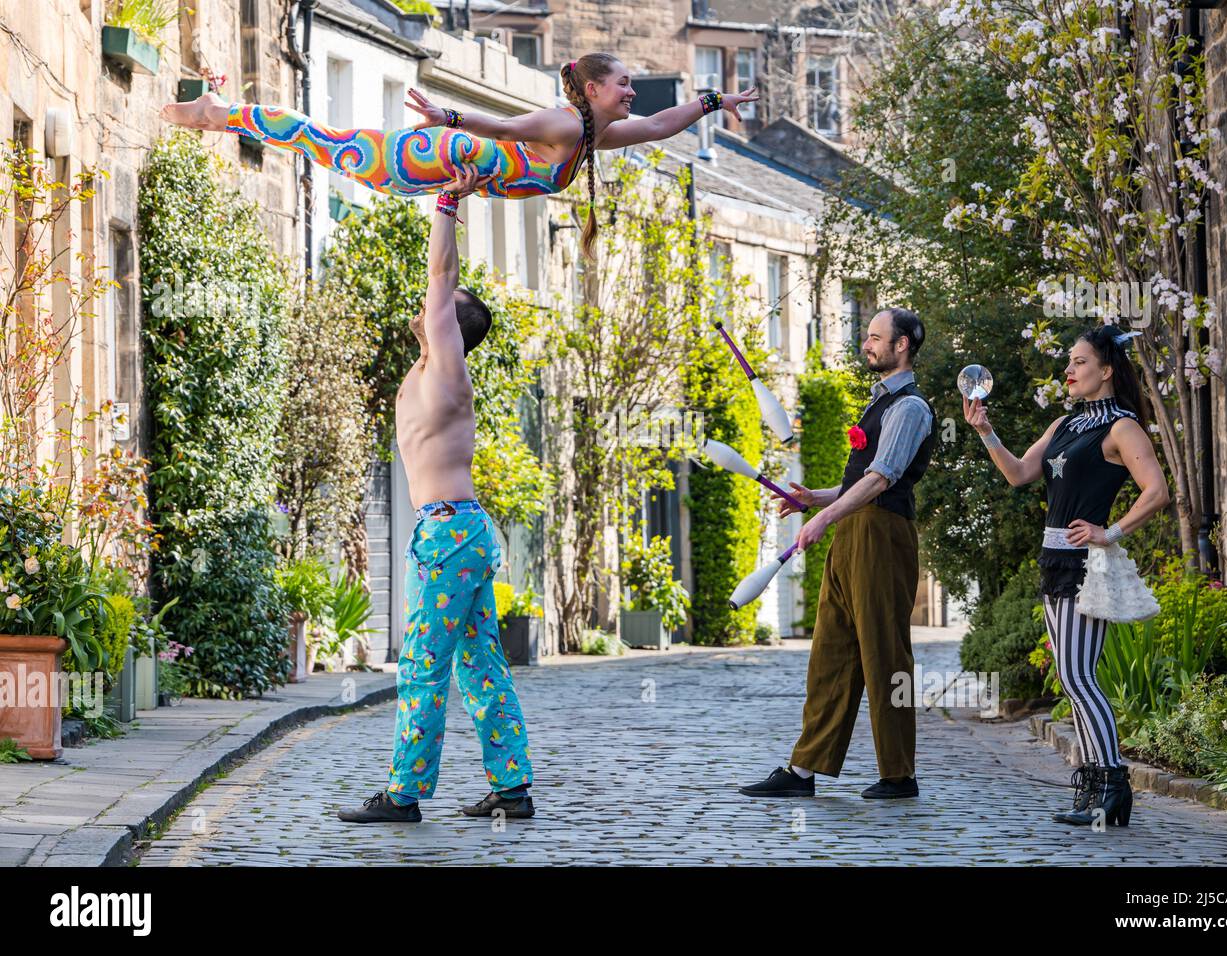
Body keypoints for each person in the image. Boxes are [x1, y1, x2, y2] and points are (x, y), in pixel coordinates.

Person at [337, 166, 534, 824]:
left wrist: (447, 202)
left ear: (452, 323)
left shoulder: (449, 369)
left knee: (423, 665)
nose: (427, 306)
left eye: (440, 307)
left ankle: (403, 795)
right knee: (479, 663)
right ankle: (512, 786)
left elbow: (441, 278)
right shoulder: (427, 369)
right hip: (458, 532)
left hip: (449, 534)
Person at [160, 53, 757, 256]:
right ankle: (216, 112)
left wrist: (714, 100)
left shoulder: (589, 134)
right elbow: (501, 125)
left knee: (326, 145)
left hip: (441, 172)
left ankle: (221, 111)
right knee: (325, 143)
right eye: (624, 83)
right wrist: (448, 116)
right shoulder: (564, 122)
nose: (632, 92)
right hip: (436, 154)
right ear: (594, 89)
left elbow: (656, 125)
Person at [962, 324, 1170, 827]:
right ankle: (1094, 786)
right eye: (1070, 362)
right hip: (1053, 561)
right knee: (1070, 677)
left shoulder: (1122, 427)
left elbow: (1157, 491)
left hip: (1085, 565)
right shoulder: (1064, 425)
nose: (1069, 370)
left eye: (1079, 362)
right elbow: (1018, 473)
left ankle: (1112, 786)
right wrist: (985, 430)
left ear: (1106, 370)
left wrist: (1109, 531)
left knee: (1079, 676)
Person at [740, 308, 936, 801]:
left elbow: (880, 478)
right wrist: (816, 500)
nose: (866, 344)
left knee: (884, 653)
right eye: (866, 336)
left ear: (903, 345)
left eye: (875, 337)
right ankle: (804, 769)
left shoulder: (910, 408)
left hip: (882, 536)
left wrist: (825, 518)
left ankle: (899, 773)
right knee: (831, 651)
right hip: (852, 532)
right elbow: (859, 482)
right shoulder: (880, 402)